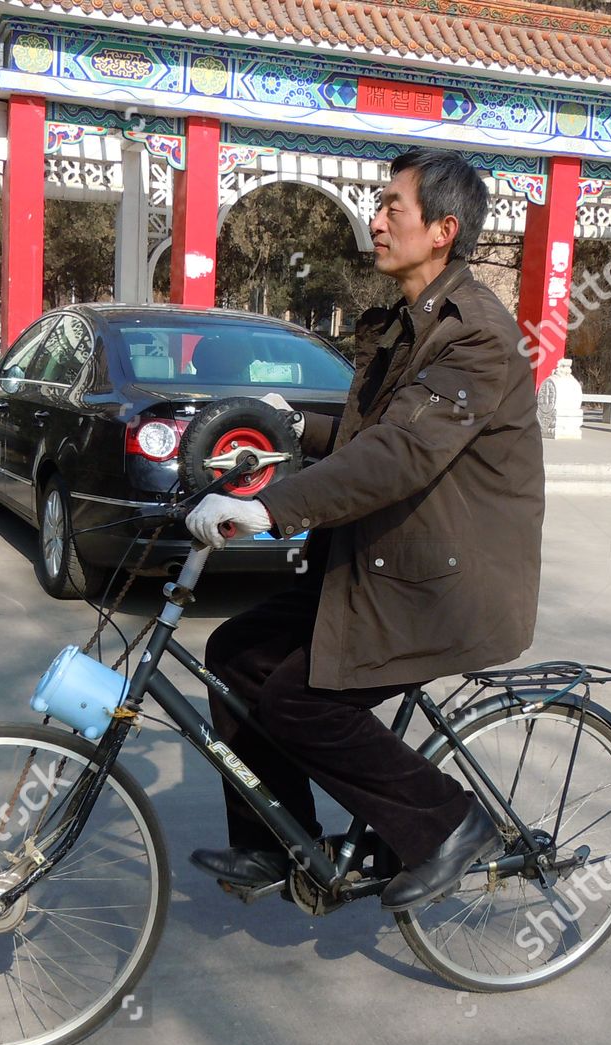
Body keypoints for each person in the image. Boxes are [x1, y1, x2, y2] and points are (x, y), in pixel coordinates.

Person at [183, 148, 546, 911]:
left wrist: (272, 508)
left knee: (298, 701)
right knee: (233, 653)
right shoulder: (403, 323)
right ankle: (276, 845)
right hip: (378, 563)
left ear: (443, 230)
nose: (374, 222)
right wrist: (294, 431)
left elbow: (403, 453)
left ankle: (450, 823)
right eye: (378, 207)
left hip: (443, 584)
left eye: (392, 209)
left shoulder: (476, 333)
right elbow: (369, 435)